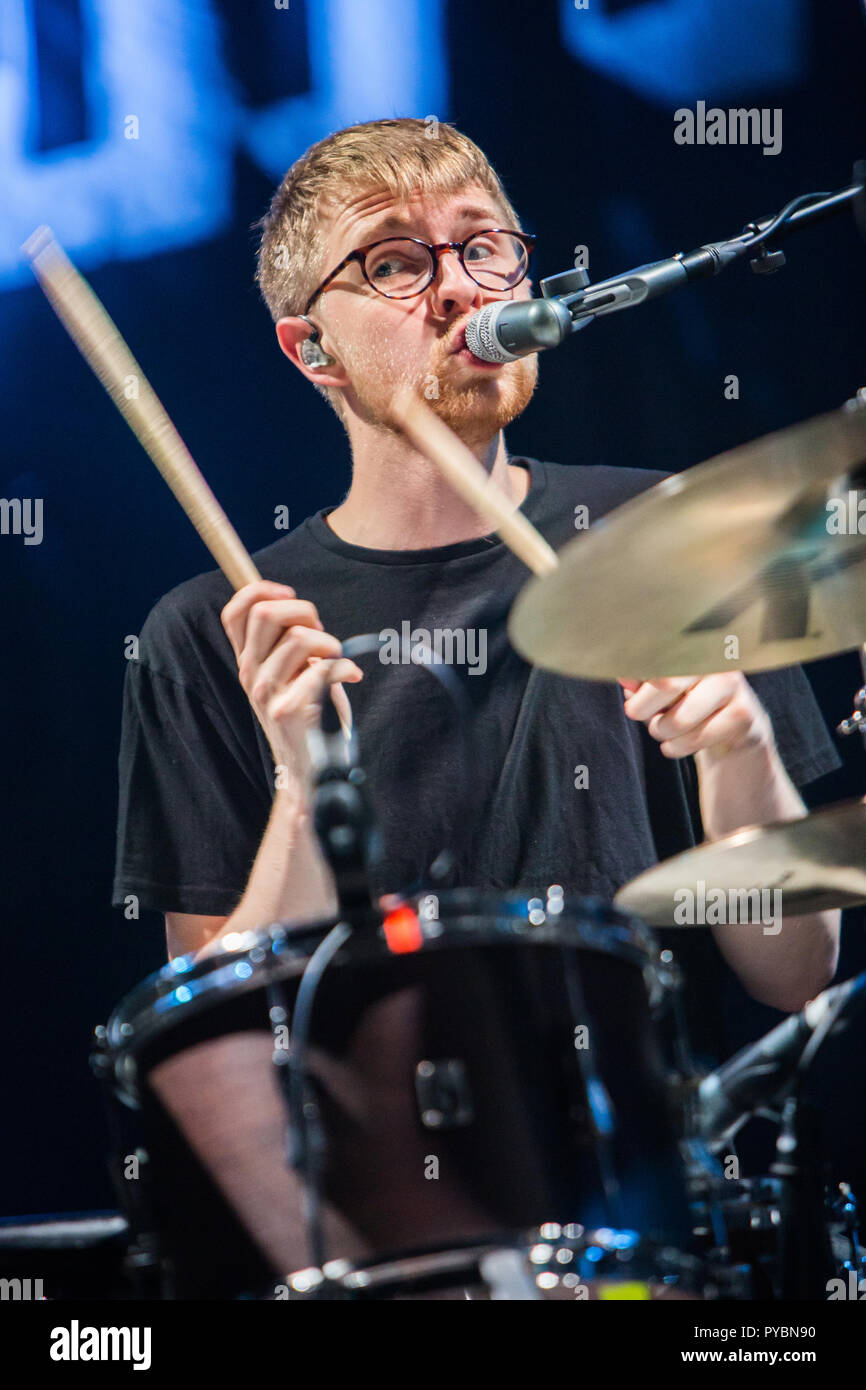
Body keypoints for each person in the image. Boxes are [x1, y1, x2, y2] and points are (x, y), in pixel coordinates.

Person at [113, 118, 840, 1012]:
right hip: (375, 1143)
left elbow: (798, 976)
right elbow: (226, 1055)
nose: (459, 288)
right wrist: (304, 792)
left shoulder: (672, 529)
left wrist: (740, 750)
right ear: (311, 349)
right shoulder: (219, 632)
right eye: (392, 264)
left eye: (484, 247)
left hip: (651, 1141)